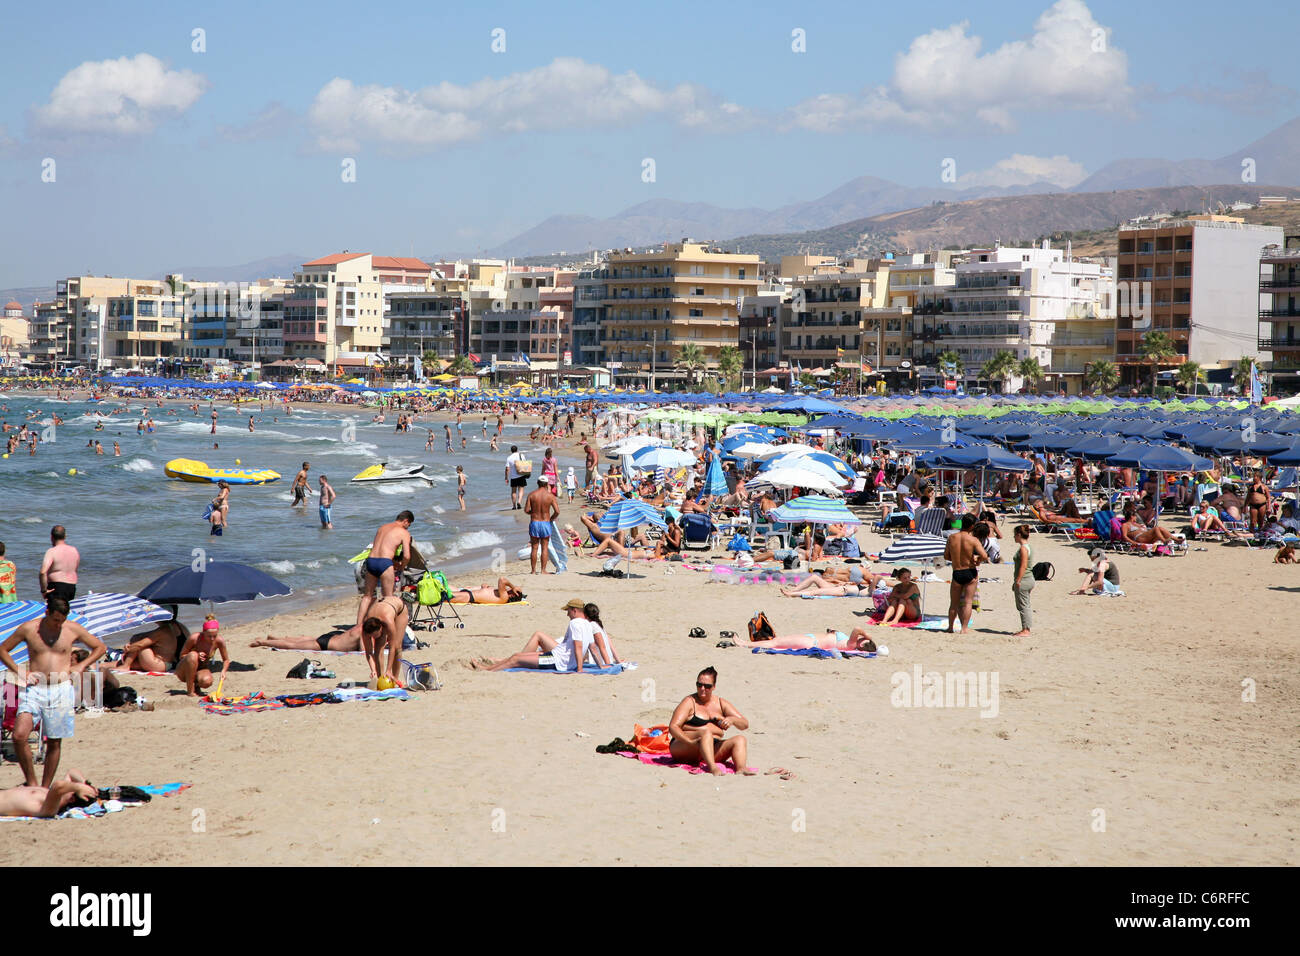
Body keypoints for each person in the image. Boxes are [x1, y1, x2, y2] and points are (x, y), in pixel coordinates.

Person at [0, 596, 106, 786]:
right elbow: (3, 649)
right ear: (47, 613)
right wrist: (19, 671)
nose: (58, 624)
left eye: (62, 620)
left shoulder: (72, 629)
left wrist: (81, 666)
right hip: (34, 687)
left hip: (60, 687)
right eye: (55, 619)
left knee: (54, 741)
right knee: (19, 736)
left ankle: (45, 787)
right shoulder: (29, 628)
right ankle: (32, 783)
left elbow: (100, 647)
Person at [667, 667, 753, 777]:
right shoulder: (689, 702)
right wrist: (689, 742)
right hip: (684, 746)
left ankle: (741, 768)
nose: (702, 688)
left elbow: (744, 724)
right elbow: (673, 727)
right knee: (705, 732)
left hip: (709, 748)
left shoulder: (721, 703)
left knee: (739, 739)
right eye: (699, 685)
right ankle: (712, 768)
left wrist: (732, 719)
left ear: (714, 687)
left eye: (707, 686)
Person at [473, 598, 592, 672]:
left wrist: (579, 669)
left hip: (558, 661)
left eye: (568, 611)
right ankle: (492, 666)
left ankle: (486, 670)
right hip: (560, 657)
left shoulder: (575, 623)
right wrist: (602, 666)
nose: (567, 614)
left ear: (575, 611)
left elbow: (579, 646)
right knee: (516, 656)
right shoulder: (587, 624)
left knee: (516, 659)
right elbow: (592, 648)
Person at [357, 511, 414, 629]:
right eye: (409, 524)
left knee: (367, 596)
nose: (408, 527)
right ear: (406, 521)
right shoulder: (404, 533)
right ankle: (388, 626)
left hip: (371, 561)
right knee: (388, 598)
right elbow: (407, 556)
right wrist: (402, 566)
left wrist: (393, 562)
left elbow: (380, 549)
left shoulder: (382, 528)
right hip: (384, 563)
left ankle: (358, 627)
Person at [944, 517, 987, 633]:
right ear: (972, 526)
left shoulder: (952, 538)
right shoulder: (973, 540)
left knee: (954, 603)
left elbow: (946, 556)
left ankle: (950, 627)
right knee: (968, 602)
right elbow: (985, 555)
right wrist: (977, 560)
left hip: (957, 571)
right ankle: (964, 628)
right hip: (970, 571)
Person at [0, 771, 98, 819]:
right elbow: (71, 772)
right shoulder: (56, 795)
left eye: (71, 789)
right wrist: (84, 783)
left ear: (71, 799)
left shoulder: (51, 808)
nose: (70, 785)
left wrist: (78, 787)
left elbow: (58, 786)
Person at [175, 615, 231, 697]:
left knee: (207, 681)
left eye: (214, 636)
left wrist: (223, 671)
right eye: (209, 636)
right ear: (203, 632)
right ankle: (190, 691)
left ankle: (197, 686)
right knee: (193, 655)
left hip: (201, 669)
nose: (212, 639)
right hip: (184, 670)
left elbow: (226, 660)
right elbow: (182, 656)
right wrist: (197, 654)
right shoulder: (194, 638)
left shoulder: (219, 641)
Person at [120, 609, 190, 672]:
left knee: (139, 644)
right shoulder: (178, 626)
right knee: (139, 642)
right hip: (175, 662)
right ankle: (124, 664)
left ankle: (126, 665)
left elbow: (140, 644)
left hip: (160, 664)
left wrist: (128, 648)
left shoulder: (163, 630)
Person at [360, 594, 409, 684]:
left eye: (375, 635)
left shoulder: (388, 622)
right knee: (378, 647)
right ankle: (380, 678)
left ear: (381, 628)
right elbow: (369, 652)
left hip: (399, 609)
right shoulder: (365, 629)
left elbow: (392, 647)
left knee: (397, 646)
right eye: (372, 637)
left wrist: (389, 669)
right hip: (382, 608)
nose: (374, 638)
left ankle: (394, 678)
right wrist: (373, 670)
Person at [524, 477, 559, 574]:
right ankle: (543, 570)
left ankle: (533, 570)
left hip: (534, 522)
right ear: (547, 484)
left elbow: (526, 510)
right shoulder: (550, 496)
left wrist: (534, 512)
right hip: (545, 523)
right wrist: (551, 518)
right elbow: (557, 511)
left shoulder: (532, 495)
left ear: (537, 483)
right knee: (544, 547)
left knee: (534, 548)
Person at [251, 623, 363, 652]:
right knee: (293, 646)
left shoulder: (361, 625)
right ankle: (263, 642)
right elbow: (364, 650)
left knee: (305, 639)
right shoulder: (366, 633)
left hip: (332, 636)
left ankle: (275, 638)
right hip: (327, 644)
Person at [40, 525, 80, 601]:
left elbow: (43, 572)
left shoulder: (51, 551)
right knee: (66, 611)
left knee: (55, 612)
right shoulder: (74, 550)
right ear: (65, 536)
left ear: (51, 537)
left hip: (56, 587)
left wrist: (44, 590)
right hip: (71, 587)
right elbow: (75, 569)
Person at [1010, 524, 1034, 638]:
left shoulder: (1023, 548)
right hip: (1029, 578)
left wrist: (1017, 581)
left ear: (1019, 535)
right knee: (1026, 605)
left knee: (1023, 606)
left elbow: (1023, 566)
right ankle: (1026, 628)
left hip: (1024, 579)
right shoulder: (1028, 547)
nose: (1014, 537)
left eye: (1015, 535)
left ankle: (1026, 630)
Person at [447, 576, 526, 605]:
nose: (511, 588)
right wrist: (484, 587)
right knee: (440, 583)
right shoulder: (500, 592)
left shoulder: (504, 598)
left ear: (513, 594)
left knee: (443, 596)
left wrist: (512, 586)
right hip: (464, 591)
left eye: (513, 589)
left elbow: (502, 579)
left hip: (469, 596)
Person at [505, 445, 528, 509]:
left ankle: (514, 506)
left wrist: (506, 477)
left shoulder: (509, 458)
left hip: (513, 477)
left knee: (513, 491)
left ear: (511, 450)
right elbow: (525, 464)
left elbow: (507, 469)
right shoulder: (521, 455)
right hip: (521, 475)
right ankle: (519, 502)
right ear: (517, 450)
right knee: (521, 490)